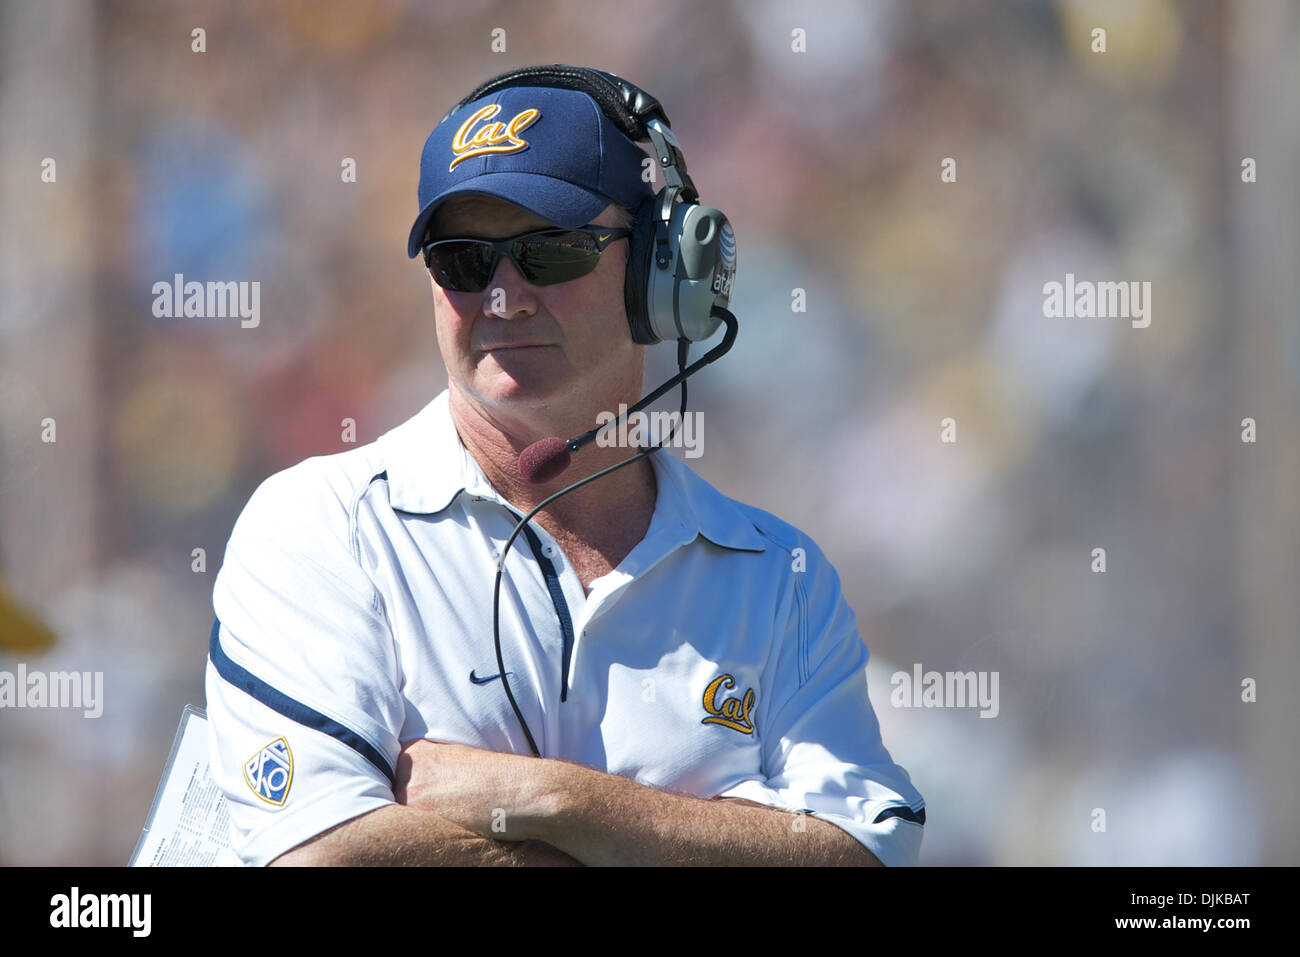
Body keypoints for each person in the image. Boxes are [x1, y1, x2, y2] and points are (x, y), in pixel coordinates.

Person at [204, 65, 925, 866]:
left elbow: (859, 855)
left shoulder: (780, 577)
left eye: (549, 252)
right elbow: (321, 859)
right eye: (463, 261)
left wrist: (549, 801)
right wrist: (702, 839)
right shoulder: (318, 528)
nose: (504, 297)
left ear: (662, 268)